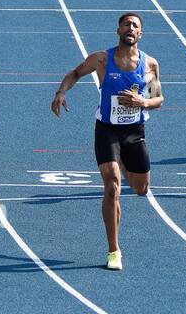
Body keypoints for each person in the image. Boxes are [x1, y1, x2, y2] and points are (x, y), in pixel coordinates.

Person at [51, 13, 164, 271]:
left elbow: (159, 99)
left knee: (141, 189)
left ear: (141, 34)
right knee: (112, 187)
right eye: (127, 24)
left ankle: (124, 163)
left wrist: (142, 102)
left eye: (135, 25)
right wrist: (61, 92)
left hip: (134, 131)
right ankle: (114, 251)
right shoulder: (102, 59)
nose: (131, 28)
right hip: (107, 130)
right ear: (118, 30)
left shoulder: (149, 65)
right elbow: (76, 73)